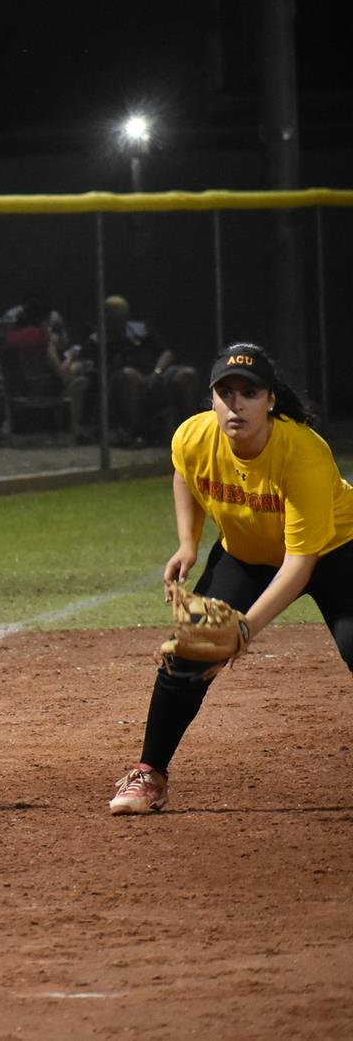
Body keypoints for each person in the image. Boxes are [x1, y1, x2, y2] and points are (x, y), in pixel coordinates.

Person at [109, 342, 353, 816]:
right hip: (246, 553)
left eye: (249, 391)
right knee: (189, 656)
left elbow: (299, 566)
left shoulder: (302, 453)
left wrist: (241, 632)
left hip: (334, 550)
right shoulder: (194, 436)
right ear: (213, 399)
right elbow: (185, 476)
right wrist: (187, 543)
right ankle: (149, 774)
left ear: (270, 400)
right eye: (225, 391)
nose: (235, 402)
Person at [88, 295, 200, 447]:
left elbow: (167, 353)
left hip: (154, 376)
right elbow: (99, 372)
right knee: (130, 377)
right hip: (122, 383)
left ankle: (193, 436)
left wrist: (157, 372)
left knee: (187, 374)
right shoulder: (97, 339)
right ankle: (137, 433)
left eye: (120, 316)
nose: (117, 321)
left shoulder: (140, 330)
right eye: (112, 316)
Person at [0, 293, 87, 437]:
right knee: (79, 374)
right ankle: (73, 428)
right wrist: (70, 356)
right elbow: (61, 374)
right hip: (38, 391)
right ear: (45, 319)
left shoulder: (11, 337)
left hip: (15, 390)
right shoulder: (41, 337)